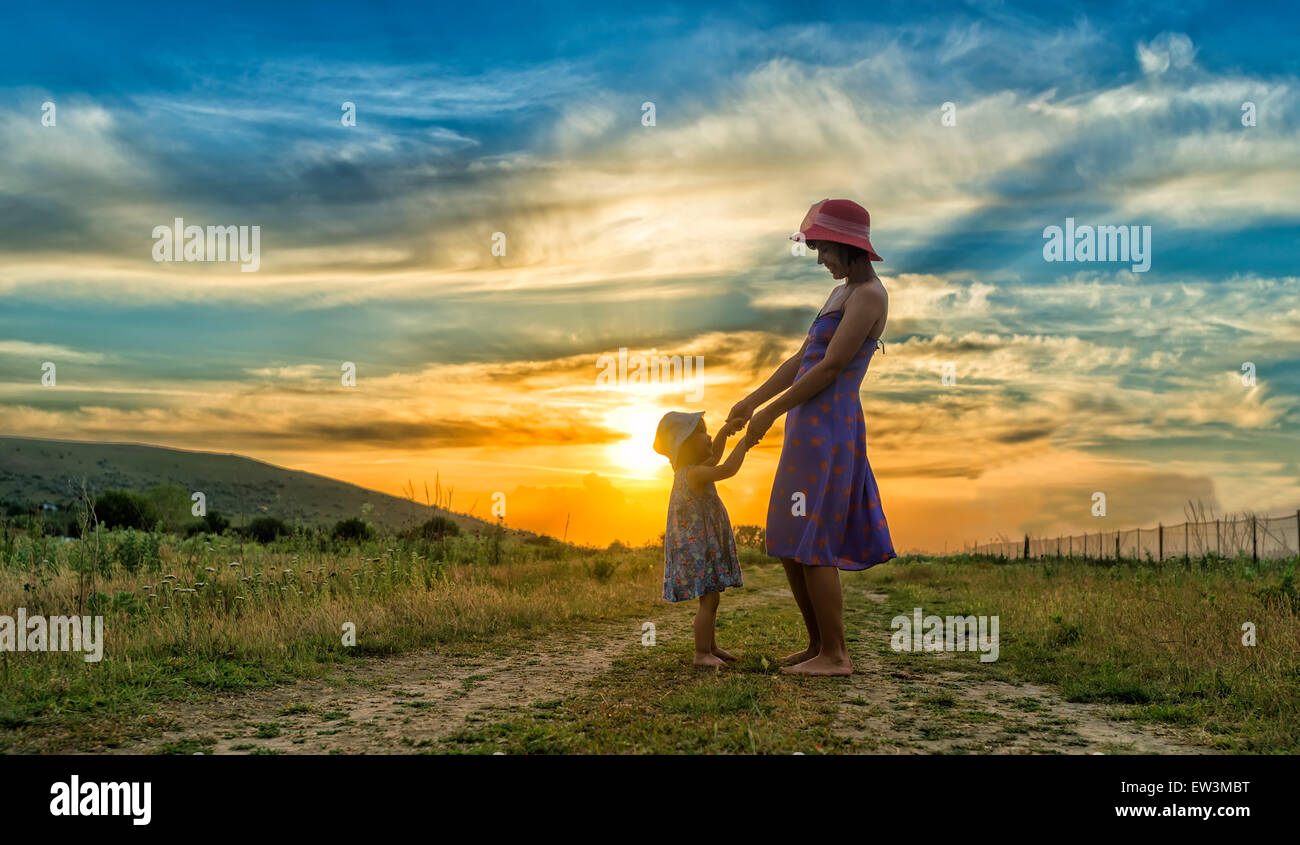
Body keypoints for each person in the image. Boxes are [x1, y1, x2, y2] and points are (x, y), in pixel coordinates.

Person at [729, 198, 897, 677]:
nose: (819, 257)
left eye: (823, 247)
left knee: (813, 539)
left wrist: (769, 415)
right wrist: (751, 402)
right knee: (788, 538)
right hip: (804, 428)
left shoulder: (869, 296)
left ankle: (837, 655)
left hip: (830, 429)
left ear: (847, 245)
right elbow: (799, 359)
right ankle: (818, 645)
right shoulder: (841, 293)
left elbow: (831, 367)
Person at [653, 411, 752, 668]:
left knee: (711, 598)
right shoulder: (693, 474)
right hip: (697, 549)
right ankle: (701, 654)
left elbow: (716, 456)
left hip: (702, 547)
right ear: (684, 443)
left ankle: (711, 647)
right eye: (700, 432)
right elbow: (727, 468)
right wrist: (746, 441)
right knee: (708, 601)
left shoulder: (692, 471)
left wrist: (724, 432)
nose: (707, 436)